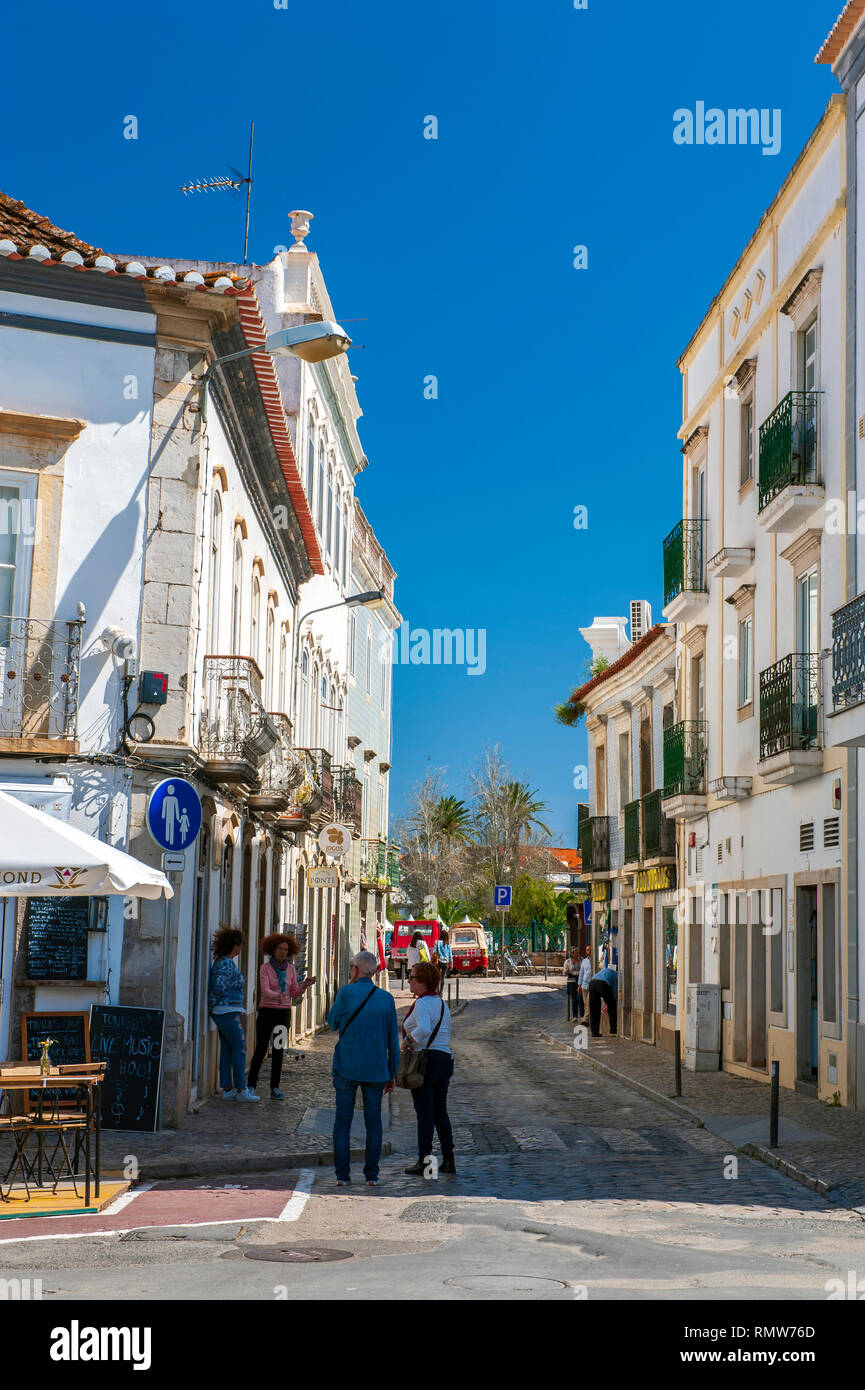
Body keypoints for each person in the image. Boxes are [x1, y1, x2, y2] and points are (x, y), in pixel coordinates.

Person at [327, 950, 400, 1187]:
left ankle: (342, 1175)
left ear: (355, 970)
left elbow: (332, 1023)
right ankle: (372, 1175)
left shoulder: (346, 992)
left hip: (347, 1066)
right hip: (376, 1069)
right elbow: (393, 1041)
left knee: (343, 1122)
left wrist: (347, 992)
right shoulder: (386, 999)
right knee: (374, 1123)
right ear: (376, 972)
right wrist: (393, 1072)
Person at [403, 960, 456, 1177]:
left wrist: (408, 1040)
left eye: (412, 977)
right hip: (444, 1059)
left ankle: (425, 1161)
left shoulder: (423, 1004)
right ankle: (448, 1160)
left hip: (426, 1061)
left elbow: (423, 1029)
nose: (409, 980)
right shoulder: (442, 1004)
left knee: (425, 1114)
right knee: (440, 1113)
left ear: (422, 981)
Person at [247, 934, 316, 1099]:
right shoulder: (265, 968)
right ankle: (251, 1085)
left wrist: (305, 985)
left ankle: (275, 1087)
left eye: (285, 949)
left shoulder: (291, 969)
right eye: (280, 949)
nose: (283, 952)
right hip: (267, 1012)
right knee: (261, 1048)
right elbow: (265, 989)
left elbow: (293, 992)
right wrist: (276, 995)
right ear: (273, 950)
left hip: (283, 1014)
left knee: (278, 1049)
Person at [208, 926, 259, 1102]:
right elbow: (219, 988)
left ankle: (227, 1088)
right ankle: (241, 1088)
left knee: (228, 1050)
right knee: (240, 1048)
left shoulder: (223, 962)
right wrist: (213, 1006)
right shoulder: (226, 964)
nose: (241, 949)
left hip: (224, 1011)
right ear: (235, 946)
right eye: (240, 946)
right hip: (227, 1011)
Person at [587, 963, 618, 1038]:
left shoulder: (605, 970)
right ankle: (613, 1030)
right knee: (612, 1007)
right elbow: (614, 990)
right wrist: (614, 1000)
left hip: (592, 983)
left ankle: (595, 1032)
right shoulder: (615, 975)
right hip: (602, 984)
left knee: (594, 1009)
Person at [562, 948, 582, 1018]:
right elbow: (564, 972)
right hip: (571, 979)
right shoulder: (568, 961)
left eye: (578, 953)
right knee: (574, 998)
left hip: (579, 978)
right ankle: (575, 1015)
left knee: (580, 998)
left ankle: (582, 1014)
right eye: (576, 953)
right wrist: (567, 971)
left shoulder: (581, 960)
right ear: (572, 954)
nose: (577, 955)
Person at [577, 946, 592, 1021]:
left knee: (589, 1003)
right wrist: (579, 985)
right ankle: (589, 1019)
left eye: (590, 950)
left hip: (592, 984)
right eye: (587, 950)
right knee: (585, 1003)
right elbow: (581, 973)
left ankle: (585, 1020)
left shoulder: (596, 961)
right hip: (584, 985)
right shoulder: (584, 961)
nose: (588, 951)